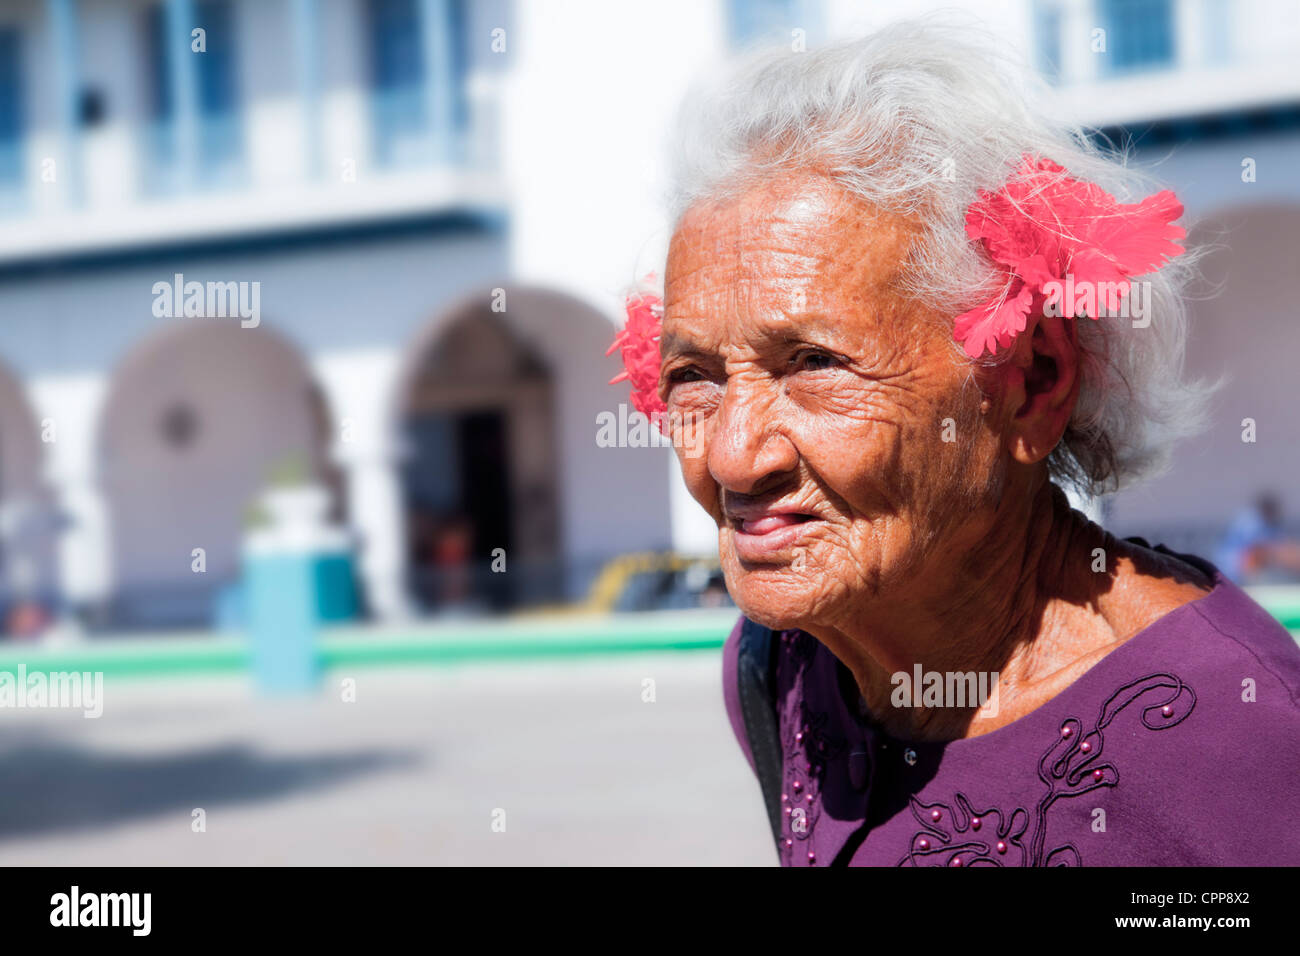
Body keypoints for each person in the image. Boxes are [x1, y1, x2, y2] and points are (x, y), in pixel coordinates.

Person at [608, 19, 1300, 866]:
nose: (732, 457)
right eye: (695, 376)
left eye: (815, 363)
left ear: (1032, 382)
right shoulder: (778, 669)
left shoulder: (1234, 735)